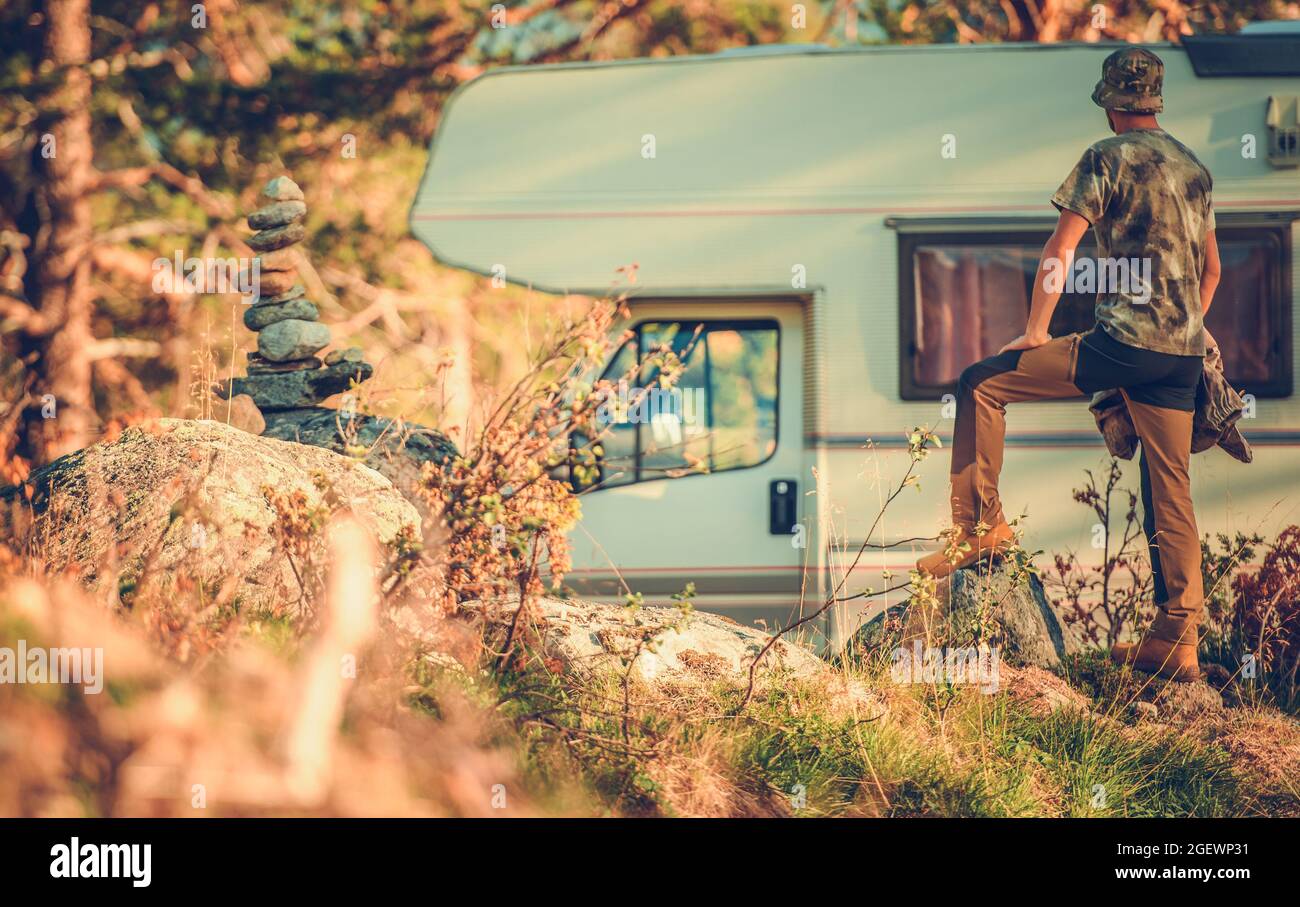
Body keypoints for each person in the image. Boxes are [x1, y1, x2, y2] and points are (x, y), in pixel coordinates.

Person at [915, 47, 1220, 682]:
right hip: (1180, 356)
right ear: (1156, 102)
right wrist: (1187, 325)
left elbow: (1062, 247)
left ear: (1112, 104)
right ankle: (1178, 638)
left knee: (981, 384)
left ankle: (979, 530)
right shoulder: (1194, 169)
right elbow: (1211, 270)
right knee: (1171, 488)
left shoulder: (1105, 159)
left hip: (1123, 343)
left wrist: (1033, 331)